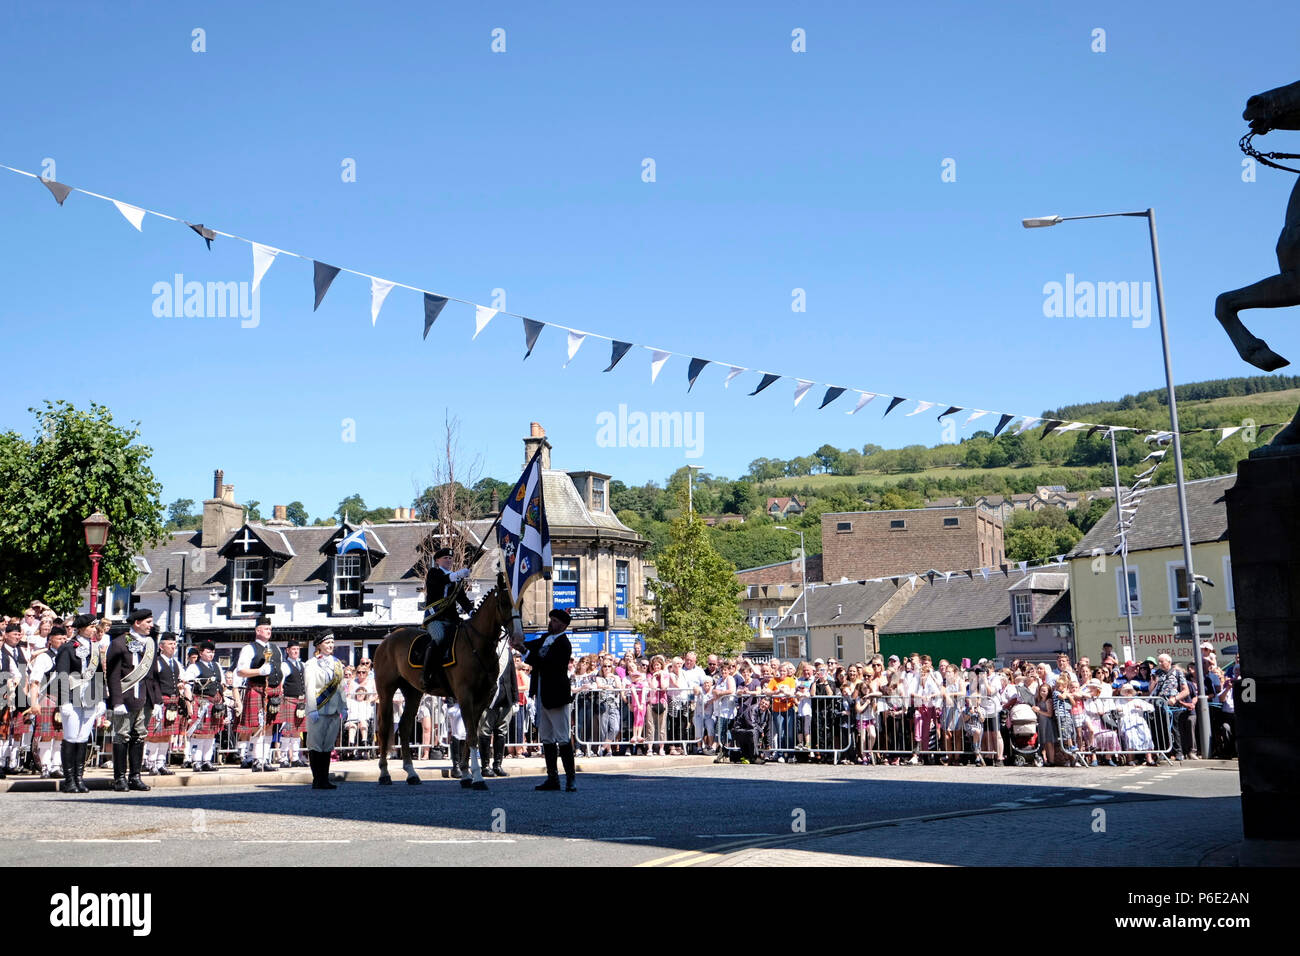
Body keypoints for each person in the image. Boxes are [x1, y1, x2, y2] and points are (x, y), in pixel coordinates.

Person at [513, 608, 576, 791]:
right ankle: (552, 778)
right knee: (547, 738)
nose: (551, 623)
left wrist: (524, 651)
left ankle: (570, 779)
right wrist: (519, 640)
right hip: (542, 694)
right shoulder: (546, 638)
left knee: (563, 738)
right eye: (551, 620)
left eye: (555, 621)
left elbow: (545, 662)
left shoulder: (563, 643)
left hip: (556, 695)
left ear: (563, 625)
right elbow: (532, 645)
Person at [105, 609, 158, 791]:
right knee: (122, 736)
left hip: (145, 698)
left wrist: (156, 700)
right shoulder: (119, 643)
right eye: (148, 622)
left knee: (139, 736)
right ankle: (120, 778)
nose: (151, 625)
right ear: (137, 623)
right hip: (125, 698)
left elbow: (152, 675)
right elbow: (112, 675)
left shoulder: (151, 643)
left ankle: (135, 776)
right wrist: (116, 701)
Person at [55, 615, 105, 793]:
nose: (94, 629)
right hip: (72, 697)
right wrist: (64, 701)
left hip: (90, 697)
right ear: (82, 628)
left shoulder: (95, 648)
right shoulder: (68, 648)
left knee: (83, 738)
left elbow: (99, 674)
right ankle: (69, 780)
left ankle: (79, 778)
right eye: (92, 626)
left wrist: (101, 699)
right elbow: (61, 675)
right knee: (71, 737)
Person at [235, 615, 283, 771]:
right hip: (257, 689)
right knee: (258, 726)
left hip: (273, 692)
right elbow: (241, 671)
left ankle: (264, 759)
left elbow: (279, 670)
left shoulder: (275, 649)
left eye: (270, 628)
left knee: (269, 726)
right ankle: (256, 760)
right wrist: (259, 671)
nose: (269, 631)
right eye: (266, 628)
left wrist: (280, 688)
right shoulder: (249, 648)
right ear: (257, 630)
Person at [422, 547, 474, 685]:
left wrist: (471, 612)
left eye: (451, 558)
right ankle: (428, 674)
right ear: (438, 561)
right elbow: (444, 580)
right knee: (439, 638)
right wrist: (459, 574)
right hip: (435, 618)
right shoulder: (434, 573)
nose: (449, 560)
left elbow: (462, 599)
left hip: (453, 619)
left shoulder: (455, 578)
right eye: (445, 558)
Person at [304, 631, 346, 790]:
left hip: (334, 710)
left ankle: (325, 779)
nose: (331, 646)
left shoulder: (337, 663)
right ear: (319, 645)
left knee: (328, 746)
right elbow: (309, 689)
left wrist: (344, 707)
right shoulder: (311, 664)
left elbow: (341, 688)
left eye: (332, 643)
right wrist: (312, 709)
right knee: (316, 745)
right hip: (318, 711)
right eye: (327, 643)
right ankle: (317, 779)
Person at [27, 625, 67, 778]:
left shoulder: (68, 655)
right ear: (51, 640)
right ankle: (45, 766)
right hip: (47, 698)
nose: (63, 641)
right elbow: (35, 681)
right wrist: (34, 702)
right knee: (46, 733)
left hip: (63, 700)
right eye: (59, 638)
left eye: (65, 638)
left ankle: (56, 765)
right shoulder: (44, 657)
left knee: (60, 734)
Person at [143, 632, 184, 775]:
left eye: (174, 644)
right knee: (154, 734)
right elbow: (151, 683)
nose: (173, 647)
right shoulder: (157, 662)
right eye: (170, 644)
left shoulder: (176, 663)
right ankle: (150, 763)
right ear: (161, 646)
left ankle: (161, 763)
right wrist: (155, 702)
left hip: (173, 701)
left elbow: (180, 679)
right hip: (160, 701)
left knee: (167, 734)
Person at [478, 640, 519, 777]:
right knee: (485, 731)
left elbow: (512, 676)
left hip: (505, 698)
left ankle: (497, 765)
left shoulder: (507, 652)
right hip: (489, 699)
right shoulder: (485, 649)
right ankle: (485, 766)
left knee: (501, 732)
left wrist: (515, 699)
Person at [182, 641, 224, 771]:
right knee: (198, 733)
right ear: (201, 653)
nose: (211, 654)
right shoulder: (194, 667)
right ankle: (196, 761)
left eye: (212, 652)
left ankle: (207, 760)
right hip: (201, 703)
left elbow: (222, 684)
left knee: (211, 733)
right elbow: (187, 686)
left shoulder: (217, 665)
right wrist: (189, 705)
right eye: (208, 652)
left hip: (216, 704)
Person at [0, 622, 33, 777]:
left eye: (19, 634)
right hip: (5, 695)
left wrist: (22, 690)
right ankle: (3, 762)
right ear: (6, 635)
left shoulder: (19, 651)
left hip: (17, 695)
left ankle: (12, 762)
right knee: (4, 731)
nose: (18, 637)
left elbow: (23, 673)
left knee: (17, 731)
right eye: (15, 634)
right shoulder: (4, 652)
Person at [278, 641, 309, 768]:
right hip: (289, 700)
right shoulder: (284, 665)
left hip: (301, 701)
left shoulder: (302, 664)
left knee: (298, 730)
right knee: (287, 730)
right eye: (293, 649)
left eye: (297, 649)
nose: (296, 651)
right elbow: (280, 683)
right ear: (288, 650)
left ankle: (295, 758)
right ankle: (283, 758)